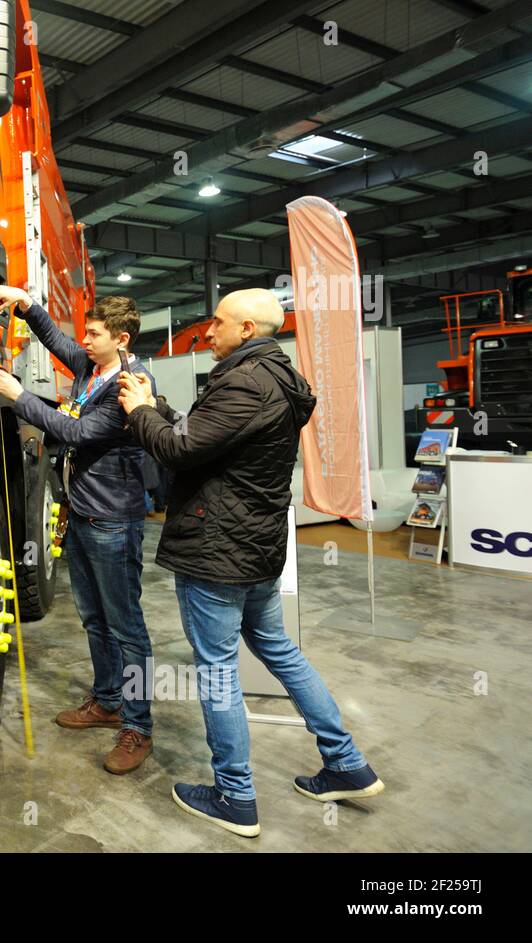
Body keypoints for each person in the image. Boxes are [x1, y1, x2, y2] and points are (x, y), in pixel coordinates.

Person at [117, 288, 383, 838]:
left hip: (219, 549)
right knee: (279, 650)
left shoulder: (243, 381)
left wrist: (140, 413)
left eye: (216, 324)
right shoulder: (276, 379)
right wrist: (157, 406)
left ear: (245, 330)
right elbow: (203, 437)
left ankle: (235, 796)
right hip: (256, 547)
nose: (206, 332)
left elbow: (180, 451)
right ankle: (346, 764)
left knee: (217, 672)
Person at [0, 285, 156, 775]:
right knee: (95, 619)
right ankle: (107, 701)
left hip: (112, 522)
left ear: (120, 340)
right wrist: (25, 302)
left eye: (95, 333)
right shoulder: (92, 367)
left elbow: (76, 432)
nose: (85, 338)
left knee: (127, 629)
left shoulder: (128, 383)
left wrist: (20, 397)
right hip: (82, 514)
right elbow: (58, 342)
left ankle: (137, 726)